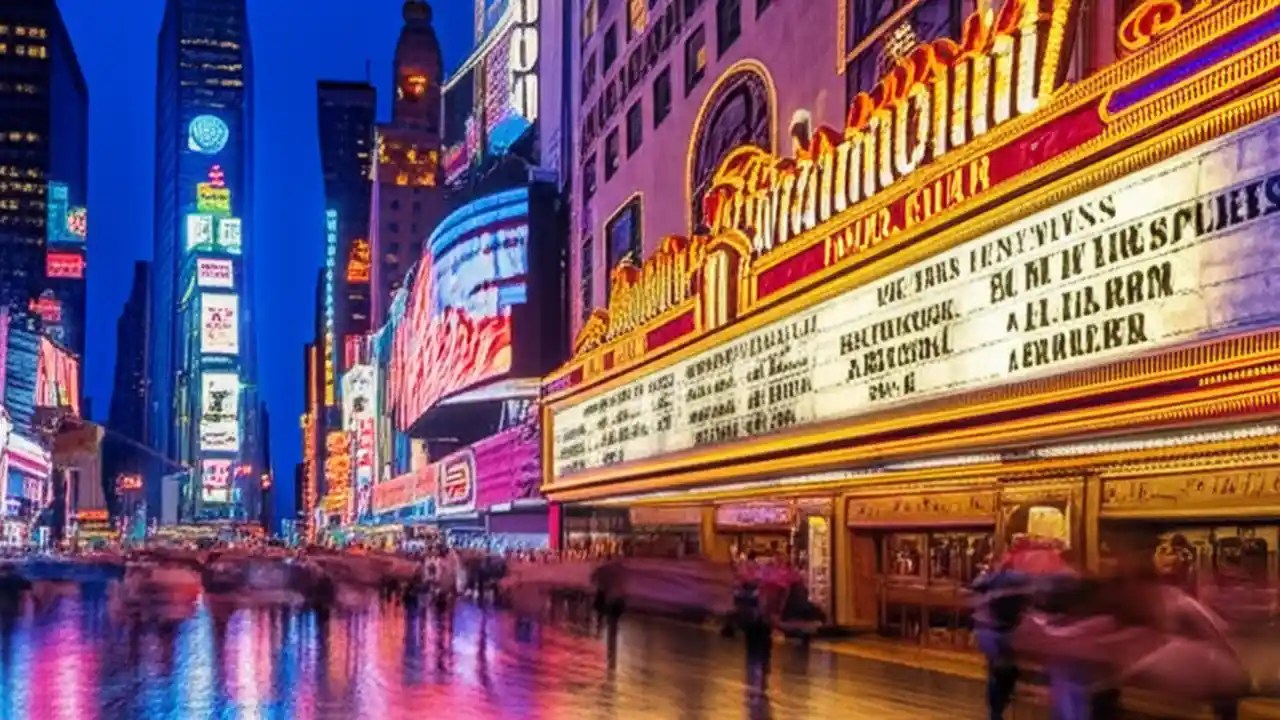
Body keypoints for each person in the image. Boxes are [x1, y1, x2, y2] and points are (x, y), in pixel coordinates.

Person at [972, 551, 1033, 720]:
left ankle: (995, 711)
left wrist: (986, 572)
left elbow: (976, 584)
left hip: (992, 632)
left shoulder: (994, 580)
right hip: (1013, 631)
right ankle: (1002, 704)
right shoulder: (1022, 579)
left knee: (996, 672)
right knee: (1007, 671)